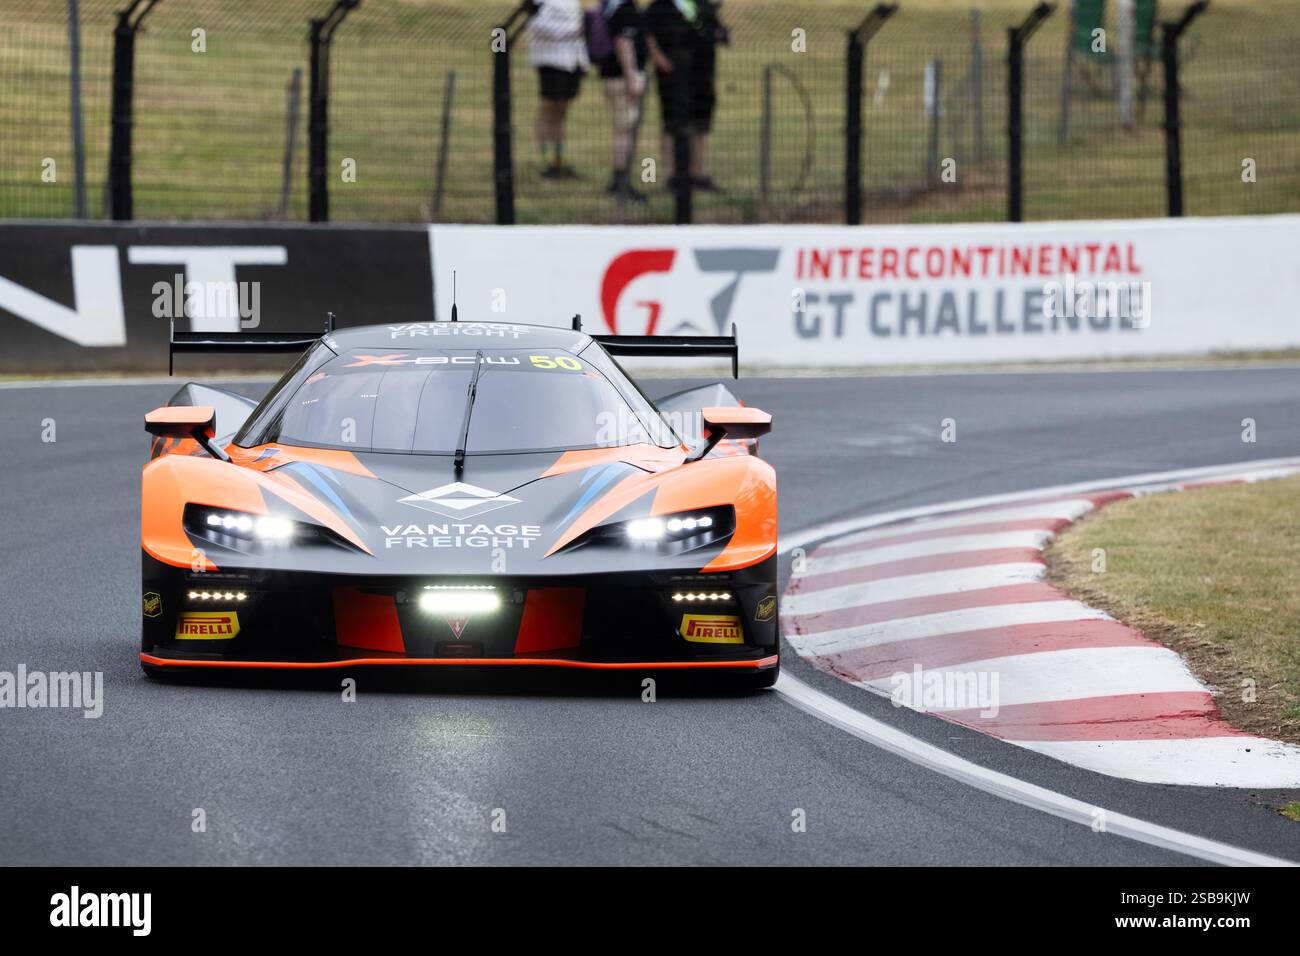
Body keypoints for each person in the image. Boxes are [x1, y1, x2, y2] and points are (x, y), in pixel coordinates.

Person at [644, 0, 729, 191]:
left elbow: (715, 29)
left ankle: (700, 175)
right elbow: (646, 32)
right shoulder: (660, 6)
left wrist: (723, 35)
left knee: (700, 125)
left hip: (702, 74)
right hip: (672, 76)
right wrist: (657, 57)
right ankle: (673, 177)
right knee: (672, 124)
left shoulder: (701, 4)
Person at [595, 1, 667, 202]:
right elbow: (623, 42)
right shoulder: (624, 7)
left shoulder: (610, 5)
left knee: (623, 129)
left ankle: (620, 178)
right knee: (624, 130)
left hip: (615, 76)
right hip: (623, 78)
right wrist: (632, 77)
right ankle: (621, 180)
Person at [526, 0, 590, 179]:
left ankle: (559, 160)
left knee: (561, 112)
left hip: (571, 63)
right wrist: (570, 31)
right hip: (551, 61)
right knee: (548, 110)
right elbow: (537, 24)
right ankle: (546, 161)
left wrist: (583, 61)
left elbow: (581, 30)